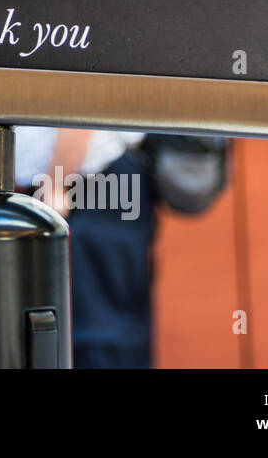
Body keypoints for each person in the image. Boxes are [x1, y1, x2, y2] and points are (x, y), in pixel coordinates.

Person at [15, 127, 155, 368]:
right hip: (68, 187)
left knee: (99, 335)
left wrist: (55, 185)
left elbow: (78, 107)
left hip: (86, 185)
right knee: (89, 332)